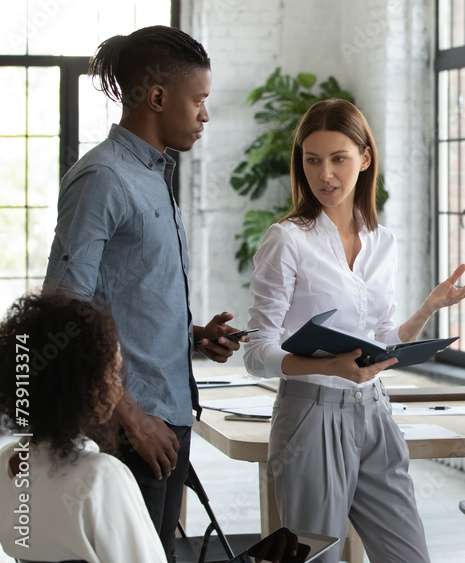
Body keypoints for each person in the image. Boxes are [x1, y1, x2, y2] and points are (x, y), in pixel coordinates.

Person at [243, 98, 465, 563]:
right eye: (312, 160)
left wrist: (428, 309)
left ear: (365, 158)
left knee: (409, 557)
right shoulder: (287, 239)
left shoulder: (382, 241)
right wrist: (329, 365)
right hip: (310, 417)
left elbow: (380, 339)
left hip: (374, 412)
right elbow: (256, 352)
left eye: (339, 159)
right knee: (317, 558)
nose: (325, 175)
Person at [42, 25, 244, 560]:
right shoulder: (103, 178)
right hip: (129, 428)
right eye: (198, 100)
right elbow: (61, 316)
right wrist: (131, 419)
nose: (205, 115)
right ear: (157, 97)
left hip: (168, 416)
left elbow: (127, 294)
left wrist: (192, 336)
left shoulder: (152, 173)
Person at [0, 293, 167, 563]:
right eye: (112, 373)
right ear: (81, 387)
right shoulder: (101, 477)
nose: (118, 388)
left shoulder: (7, 463)